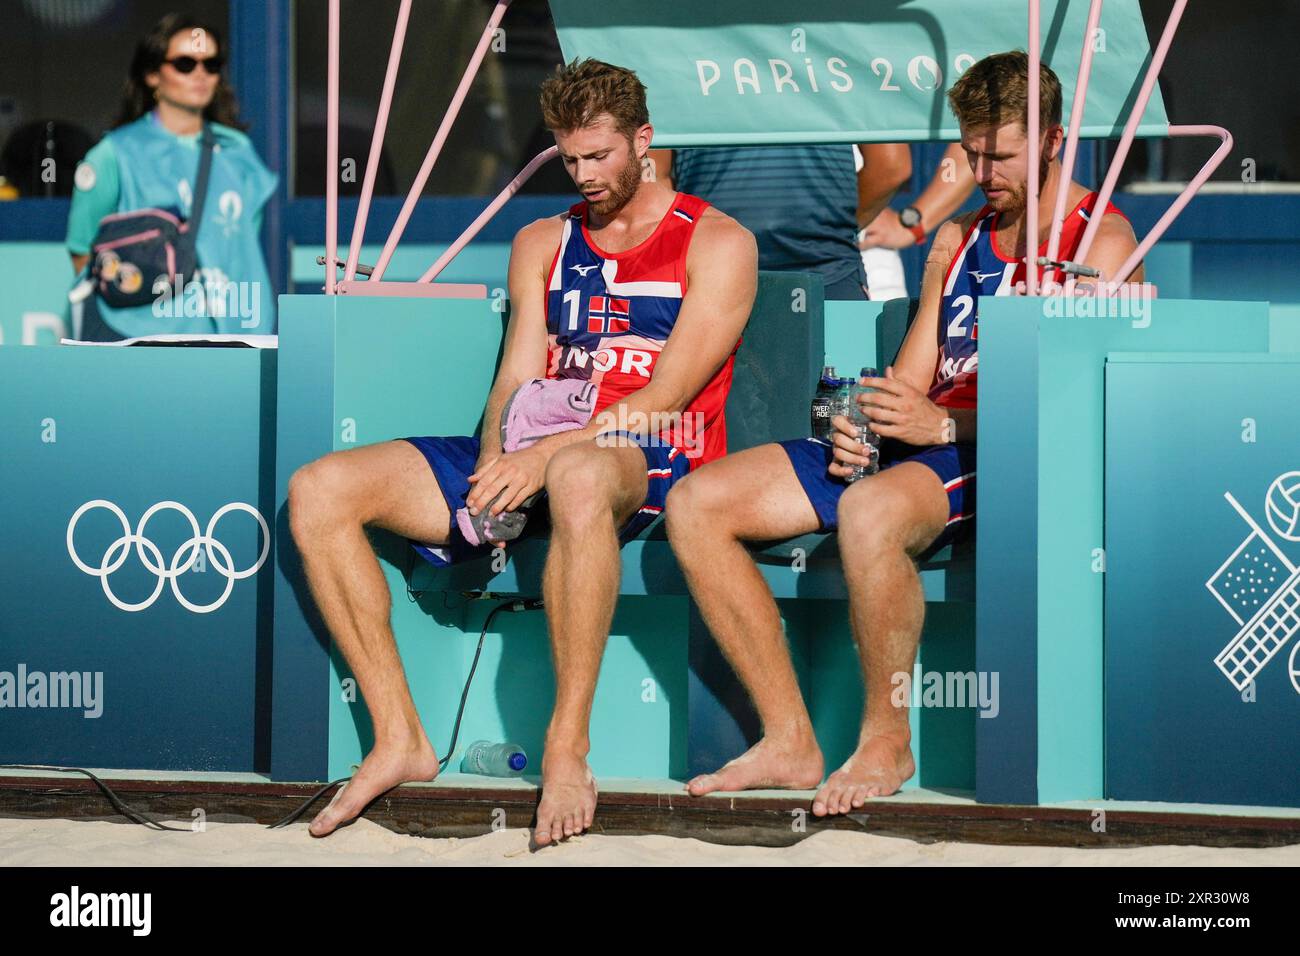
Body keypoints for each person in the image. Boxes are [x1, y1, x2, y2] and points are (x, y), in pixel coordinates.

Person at [287, 59, 756, 845]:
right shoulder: (544, 239)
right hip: (544, 445)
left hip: (651, 451)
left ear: (644, 141)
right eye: (570, 158)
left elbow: (661, 403)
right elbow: (515, 376)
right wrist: (496, 455)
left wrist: (539, 462)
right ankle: (401, 736)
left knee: (574, 474)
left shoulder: (716, 240)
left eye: (600, 155)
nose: (584, 174)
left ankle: (566, 746)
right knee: (319, 488)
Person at [664, 51, 1143, 816]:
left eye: (1003, 154)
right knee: (697, 503)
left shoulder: (1103, 246)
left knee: (871, 511)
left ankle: (887, 738)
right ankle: (789, 737)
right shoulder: (956, 241)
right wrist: (865, 423)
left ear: (1055, 141)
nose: (983, 170)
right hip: (927, 443)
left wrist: (945, 423)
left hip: (1005, 455)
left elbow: (1077, 408)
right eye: (970, 152)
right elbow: (911, 376)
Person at [66, 13, 278, 340]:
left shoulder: (239, 154)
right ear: (152, 74)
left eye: (212, 64)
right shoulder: (115, 153)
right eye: (184, 64)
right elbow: (83, 251)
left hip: (235, 335)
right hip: (142, 338)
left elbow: (243, 247)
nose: (201, 74)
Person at [658, 143, 911, 300]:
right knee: (840, 387)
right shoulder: (841, 60)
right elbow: (890, 167)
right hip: (826, 268)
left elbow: (655, 179)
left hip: (709, 268)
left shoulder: (682, 60)